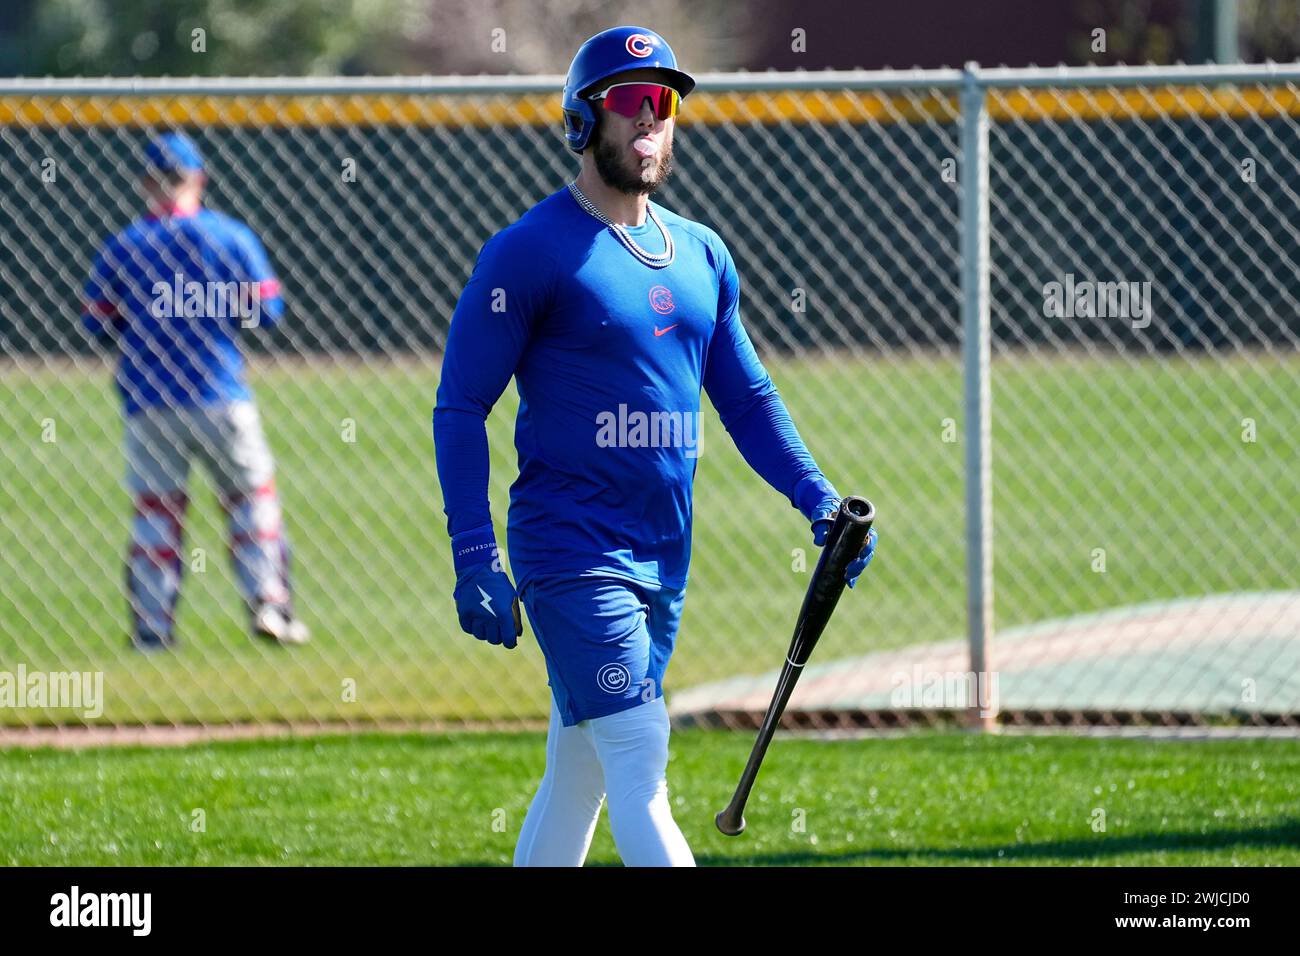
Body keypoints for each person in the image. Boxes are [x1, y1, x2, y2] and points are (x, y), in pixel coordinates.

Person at [432, 27, 877, 866]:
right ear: (581, 121)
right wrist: (474, 553)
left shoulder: (703, 252)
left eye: (663, 104)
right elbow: (460, 408)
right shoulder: (529, 252)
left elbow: (746, 396)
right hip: (570, 552)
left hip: (662, 554)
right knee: (640, 759)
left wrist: (819, 499)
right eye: (630, 103)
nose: (649, 121)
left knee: (580, 773)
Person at [83, 132, 308, 651]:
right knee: (250, 501)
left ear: (145, 184)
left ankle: (152, 628)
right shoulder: (229, 237)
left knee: (157, 513)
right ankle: (270, 605)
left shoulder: (125, 246)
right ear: (199, 180)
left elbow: (97, 323)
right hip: (219, 392)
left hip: (147, 400)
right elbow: (266, 313)